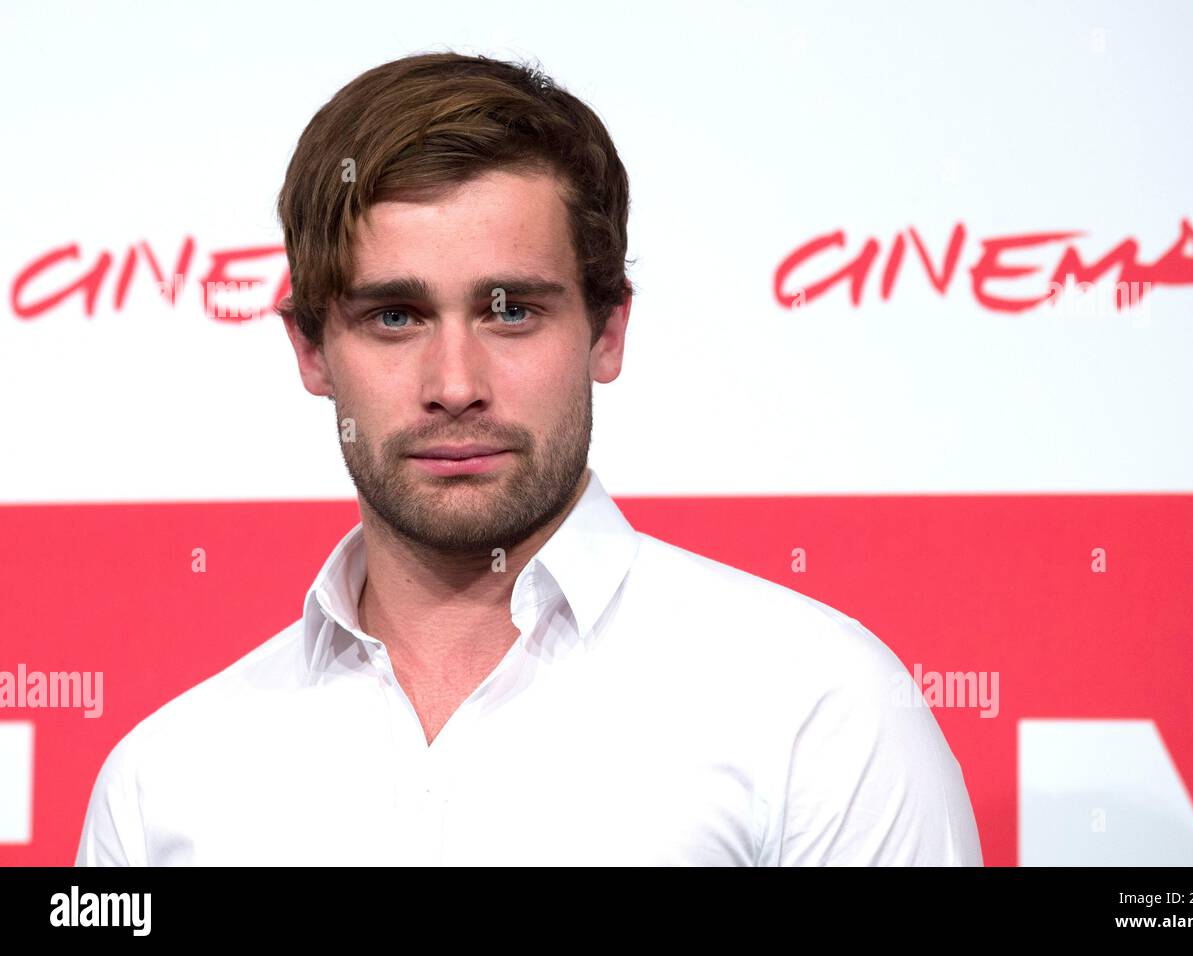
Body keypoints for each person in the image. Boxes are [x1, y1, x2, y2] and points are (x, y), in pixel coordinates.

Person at [75, 51, 982, 866]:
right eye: (394, 316)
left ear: (608, 331)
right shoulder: (164, 785)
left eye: (511, 312)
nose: (455, 383)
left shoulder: (817, 711)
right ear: (311, 352)